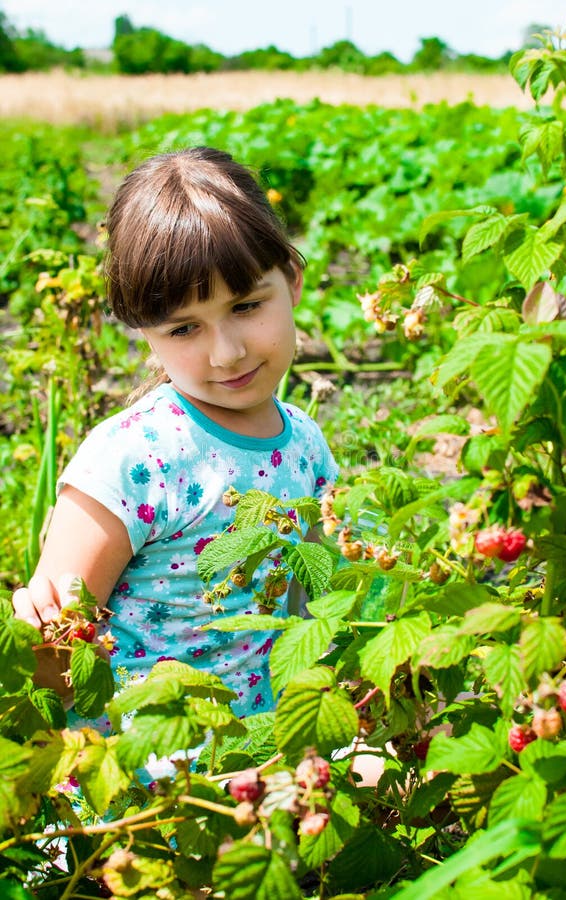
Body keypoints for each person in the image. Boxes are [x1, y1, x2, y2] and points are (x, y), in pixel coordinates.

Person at [12, 146, 338, 745]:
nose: (228, 352)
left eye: (246, 306)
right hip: (147, 775)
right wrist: (36, 631)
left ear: (291, 279)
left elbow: (309, 607)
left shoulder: (306, 444)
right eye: (184, 328)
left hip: (265, 744)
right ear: (143, 332)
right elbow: (58, 662)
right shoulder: (131, 460)